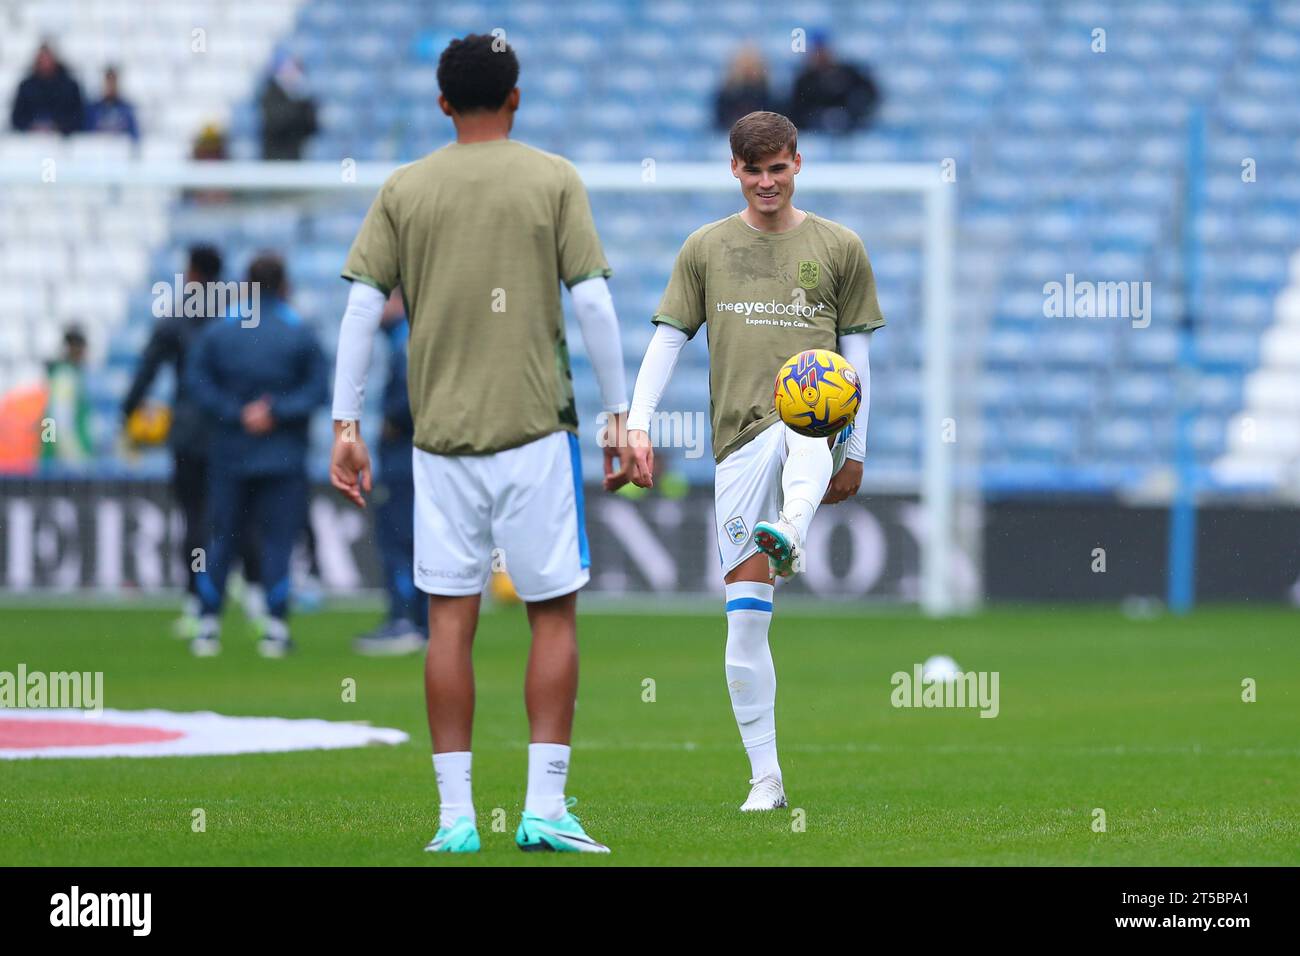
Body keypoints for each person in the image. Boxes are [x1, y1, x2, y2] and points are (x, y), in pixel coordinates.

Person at [329, 34, 630, 854]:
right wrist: (622, 414)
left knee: (448, 623)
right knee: (553, 617)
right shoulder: (553, 178)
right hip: (534, 433)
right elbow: (596, 304)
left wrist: (345, 426)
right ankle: (543, 808)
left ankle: (455, 818)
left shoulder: (405, 187)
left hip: (439, 440)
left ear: (440, 104)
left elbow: (361, 309)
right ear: (517, 97)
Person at [622, 111, 882, 812]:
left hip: (813, 424)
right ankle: (765, 777)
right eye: (753, 169)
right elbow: (669, 339)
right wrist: (638, 425)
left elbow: (857, 355)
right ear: (734, 170)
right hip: (735, 442)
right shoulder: (705, 248)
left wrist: (855, 446)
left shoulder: (840, 246)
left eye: (778, 167)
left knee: (806, 408)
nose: (767, 181)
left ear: (798, 163)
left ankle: (793, 529)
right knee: (744, 620)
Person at [185, 253, 329, 658]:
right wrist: (277, 411)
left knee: (222, 538)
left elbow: (197, 383)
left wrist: (236, 412)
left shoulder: (222, 329)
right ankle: (276, 629)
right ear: (285, 284)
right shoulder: (299, 330)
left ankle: (207, 626)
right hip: (283, 456)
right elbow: (318, 390)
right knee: (280, 541)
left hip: (231, 453)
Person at [122, 246, 265, 637]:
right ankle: (256, 595)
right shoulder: (239, 313)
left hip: (189, 432)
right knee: (242, 513)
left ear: (192, 272)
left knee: (195, 517)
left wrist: (129, 410)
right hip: (232, 429)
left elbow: (148, 368)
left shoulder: (177, 316)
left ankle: (196, 598)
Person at [352, 289, 428, 656]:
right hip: (418, 460)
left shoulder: (408, 341)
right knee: (415, 538)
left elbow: (411, 400)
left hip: (405, 460)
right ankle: (421, 622)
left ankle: (405, 620)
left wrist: (390, 423)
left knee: (400, 539)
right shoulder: (414, 338)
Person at [788, 33, 881, 134]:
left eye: (822, 50)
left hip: (851, 131)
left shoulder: (850, 74)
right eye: (815, 51)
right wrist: (818, 117)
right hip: (816, 133)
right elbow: (798, 112)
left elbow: (869, 97)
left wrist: (850, 113)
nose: (819, 55)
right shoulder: (804, 81)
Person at [42, 325, 94, 464]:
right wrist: (78, 461)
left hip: (56, 461)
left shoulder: (66, 374)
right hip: (63, 465)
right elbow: (61, 423)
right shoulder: (65, 377)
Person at [10, 42, 83, 135]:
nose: (45, 62)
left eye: (48, 58)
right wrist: (32, 126)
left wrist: (60, 126)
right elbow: (17, 118)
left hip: (63, 142)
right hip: (30, 142)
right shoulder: (26, 86)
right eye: (43, 59)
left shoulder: (69, 86)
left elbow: (78, 116)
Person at [259, 50, 318, 160]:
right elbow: (275, 123)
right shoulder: (270, 93)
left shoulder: (303, 97)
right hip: (274, 157)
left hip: (297, 156)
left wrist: (304, 100)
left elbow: (312, 127)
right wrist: (298, 102)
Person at [714, 45, 774, 130]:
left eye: (752, 65)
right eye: (744, 65)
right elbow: (721, 124)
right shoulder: (727, 98)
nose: (748, 69)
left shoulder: (768, 98)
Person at [85, 66, 139, 140]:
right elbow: (87, 134)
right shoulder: (94, 109)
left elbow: (134, 134)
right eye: (108, 82)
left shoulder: (126, 109)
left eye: (113, 82)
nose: (110, 86)